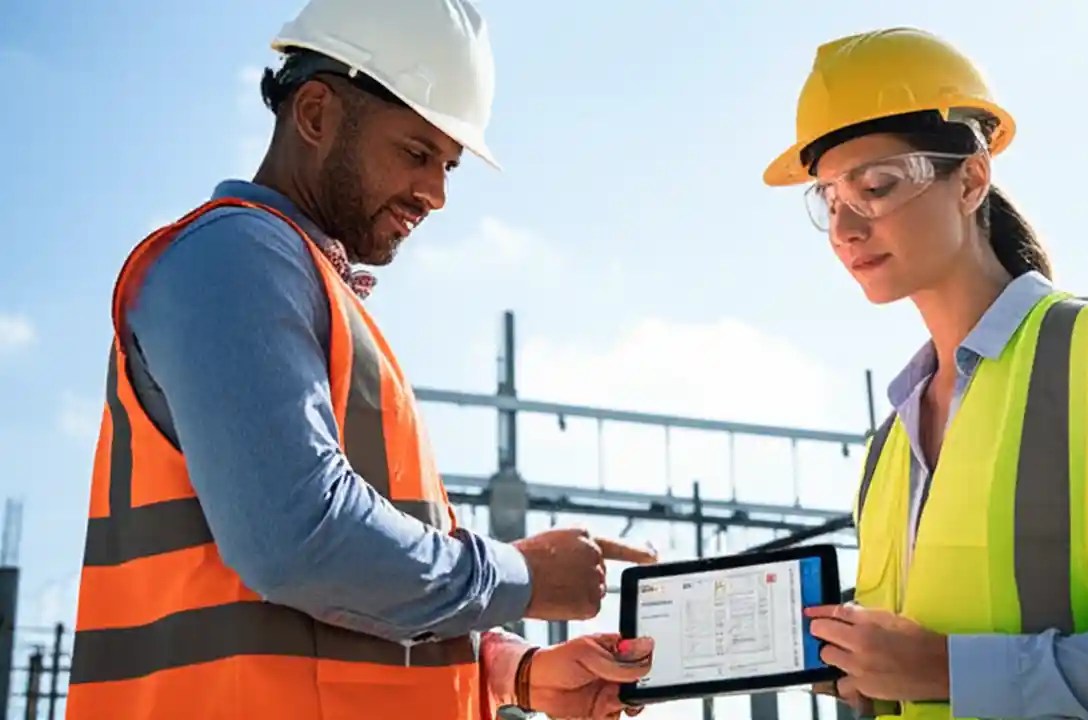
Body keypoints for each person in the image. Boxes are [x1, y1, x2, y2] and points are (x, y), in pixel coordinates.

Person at [65, 1, 656, 718]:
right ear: (315, 114)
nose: (436, 194)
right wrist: (521, 574)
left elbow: (335, 609)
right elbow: (301, 541)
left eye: (448, 165)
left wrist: (512, 669)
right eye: (415, 152)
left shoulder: (312, 292)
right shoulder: (236, 260)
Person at [761, 27, 1088, 719]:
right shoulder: (888, 444)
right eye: (828, 200)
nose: (847, 227)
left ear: (970, 179)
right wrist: (863, 666)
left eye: (875, 187)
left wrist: (943, 667)